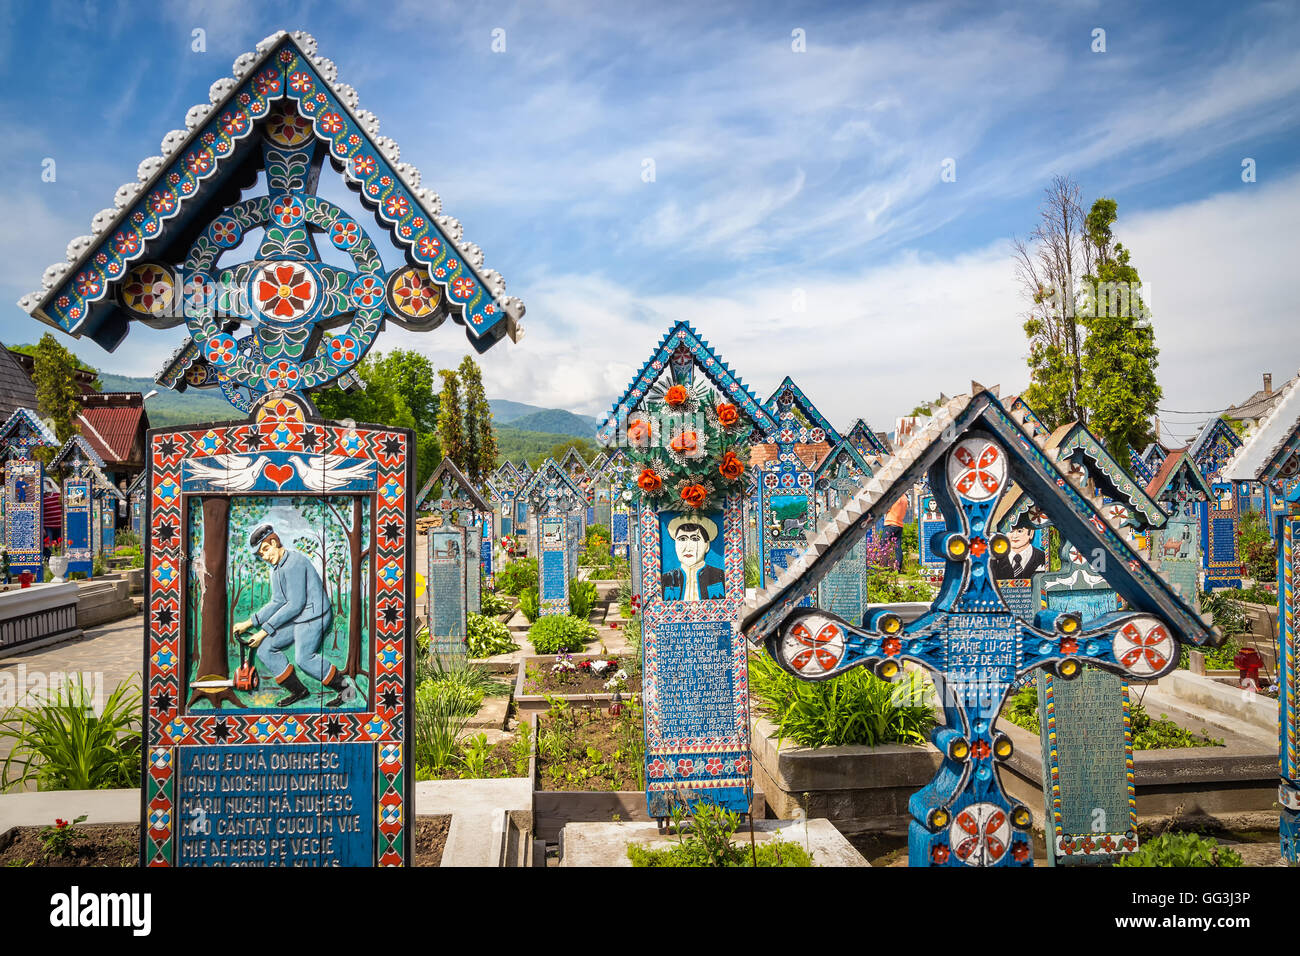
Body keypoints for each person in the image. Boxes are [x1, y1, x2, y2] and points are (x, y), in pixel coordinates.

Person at [234, 524, 356, 708]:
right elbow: (277, 602)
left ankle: (346, 690)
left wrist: (262, 632)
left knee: (304, 658)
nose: (265, 557)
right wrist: (250, 623)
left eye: (265, 550)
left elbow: (294, 605)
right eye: (261, 555)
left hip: (313, 615)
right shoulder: (276, 570)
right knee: (265, 648)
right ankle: (298, 691)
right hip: (297, 617)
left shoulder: (294, 563)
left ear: (274, 542)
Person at [660, 515, 724, 601]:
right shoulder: (666, 579)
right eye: (682, 539)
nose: (688, 548)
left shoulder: (720, 577)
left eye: (695, 539)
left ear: (707, 545)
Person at [882, 493, 909, 570]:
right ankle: (898, 568)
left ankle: (884, 568)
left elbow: (886, 509)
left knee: (883, 545)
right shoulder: (905, 498)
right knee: (898, 547)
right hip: (899, 525)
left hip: (890, 523)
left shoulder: (895, 496)